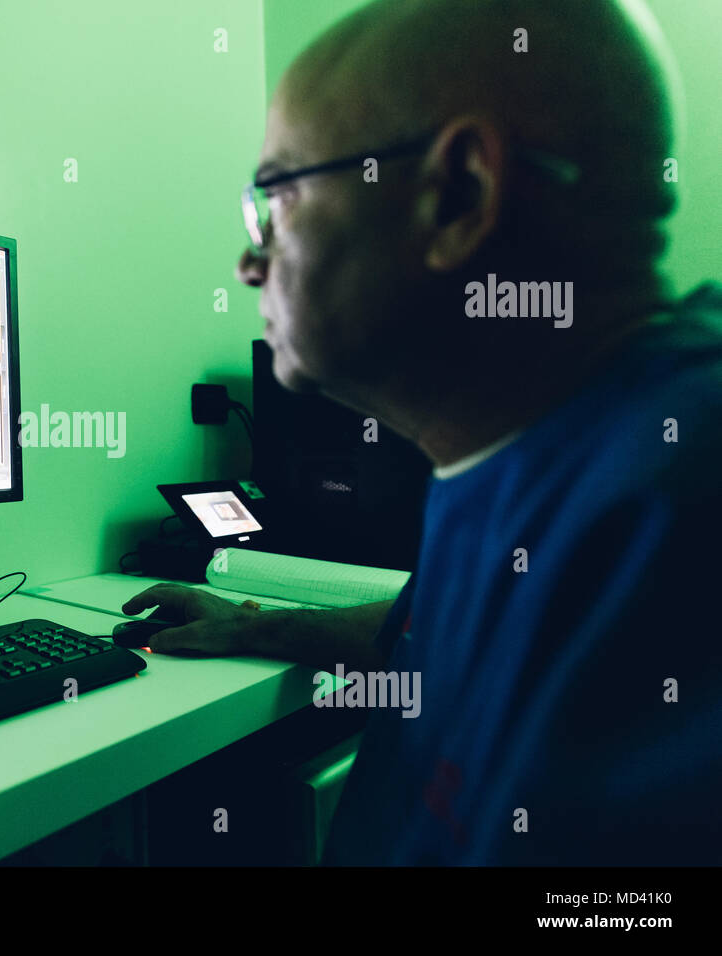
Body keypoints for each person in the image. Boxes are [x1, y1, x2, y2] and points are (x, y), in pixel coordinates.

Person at [125, 0, 722, 864]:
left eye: (277, 199)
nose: (247, 264)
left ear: (459, 194)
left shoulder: (681, 494)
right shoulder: (524, 444)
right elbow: (425, 635)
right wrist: (252, 623)